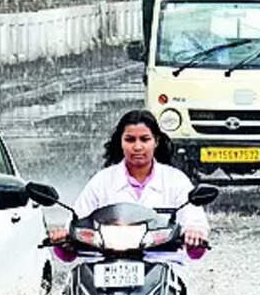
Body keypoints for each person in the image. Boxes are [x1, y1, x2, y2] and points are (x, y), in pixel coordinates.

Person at [48, 110, 210, 256]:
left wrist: (194, 233)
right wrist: (63, 237)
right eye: (130, 140)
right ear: (121, 142)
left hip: (163, 264)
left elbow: (194, 224)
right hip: (104, 266)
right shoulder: (102, 181)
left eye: (144, 139)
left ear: (156, 141)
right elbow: (76, 223)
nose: (137, 147)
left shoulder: (176, 180)